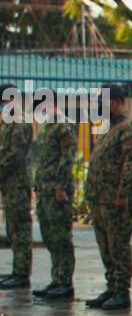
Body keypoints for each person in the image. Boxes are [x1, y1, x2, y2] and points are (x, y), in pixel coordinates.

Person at [84, 84, 132, 311]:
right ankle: (111, 287)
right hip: (100, 198)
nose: (101, 104)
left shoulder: (130, 128)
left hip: (115, 199)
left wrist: (123, 194)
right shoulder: (107, 127)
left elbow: (130, 165)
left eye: (105, 100)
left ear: (119, 102)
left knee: (118, 245)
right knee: (105, 245)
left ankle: (121, 291)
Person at [30, 89, 77, 300]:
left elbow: (67, 160)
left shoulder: (63, 126)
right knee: (49, 236)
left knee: (61, 237)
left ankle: (65, 282)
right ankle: (56, 279)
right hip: (45, 191)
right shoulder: (47, 127)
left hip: (58, 191)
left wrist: (60, 187)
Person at [0, 84, 35, 290]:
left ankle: (22, 274)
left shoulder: (20, 122)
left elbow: (15, 155)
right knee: (13, 228)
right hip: (9, 183)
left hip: (18, 183)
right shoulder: (9, 123)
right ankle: (17, 270)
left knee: (20, 228)